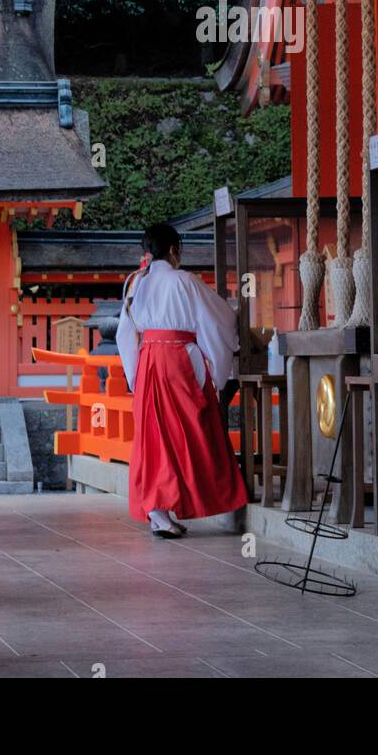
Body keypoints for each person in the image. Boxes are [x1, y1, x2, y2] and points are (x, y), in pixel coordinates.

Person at [116, 223, 247, 538]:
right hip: (179, 360)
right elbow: (220, 320)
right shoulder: (185, 281)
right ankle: (167, 505)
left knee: (155, 435)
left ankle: (157, 506)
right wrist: (218, 368)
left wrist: (135, 377)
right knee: (191, 428)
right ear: (174, 250)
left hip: (148, 359)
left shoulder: (135, 284)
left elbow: (125, 332)